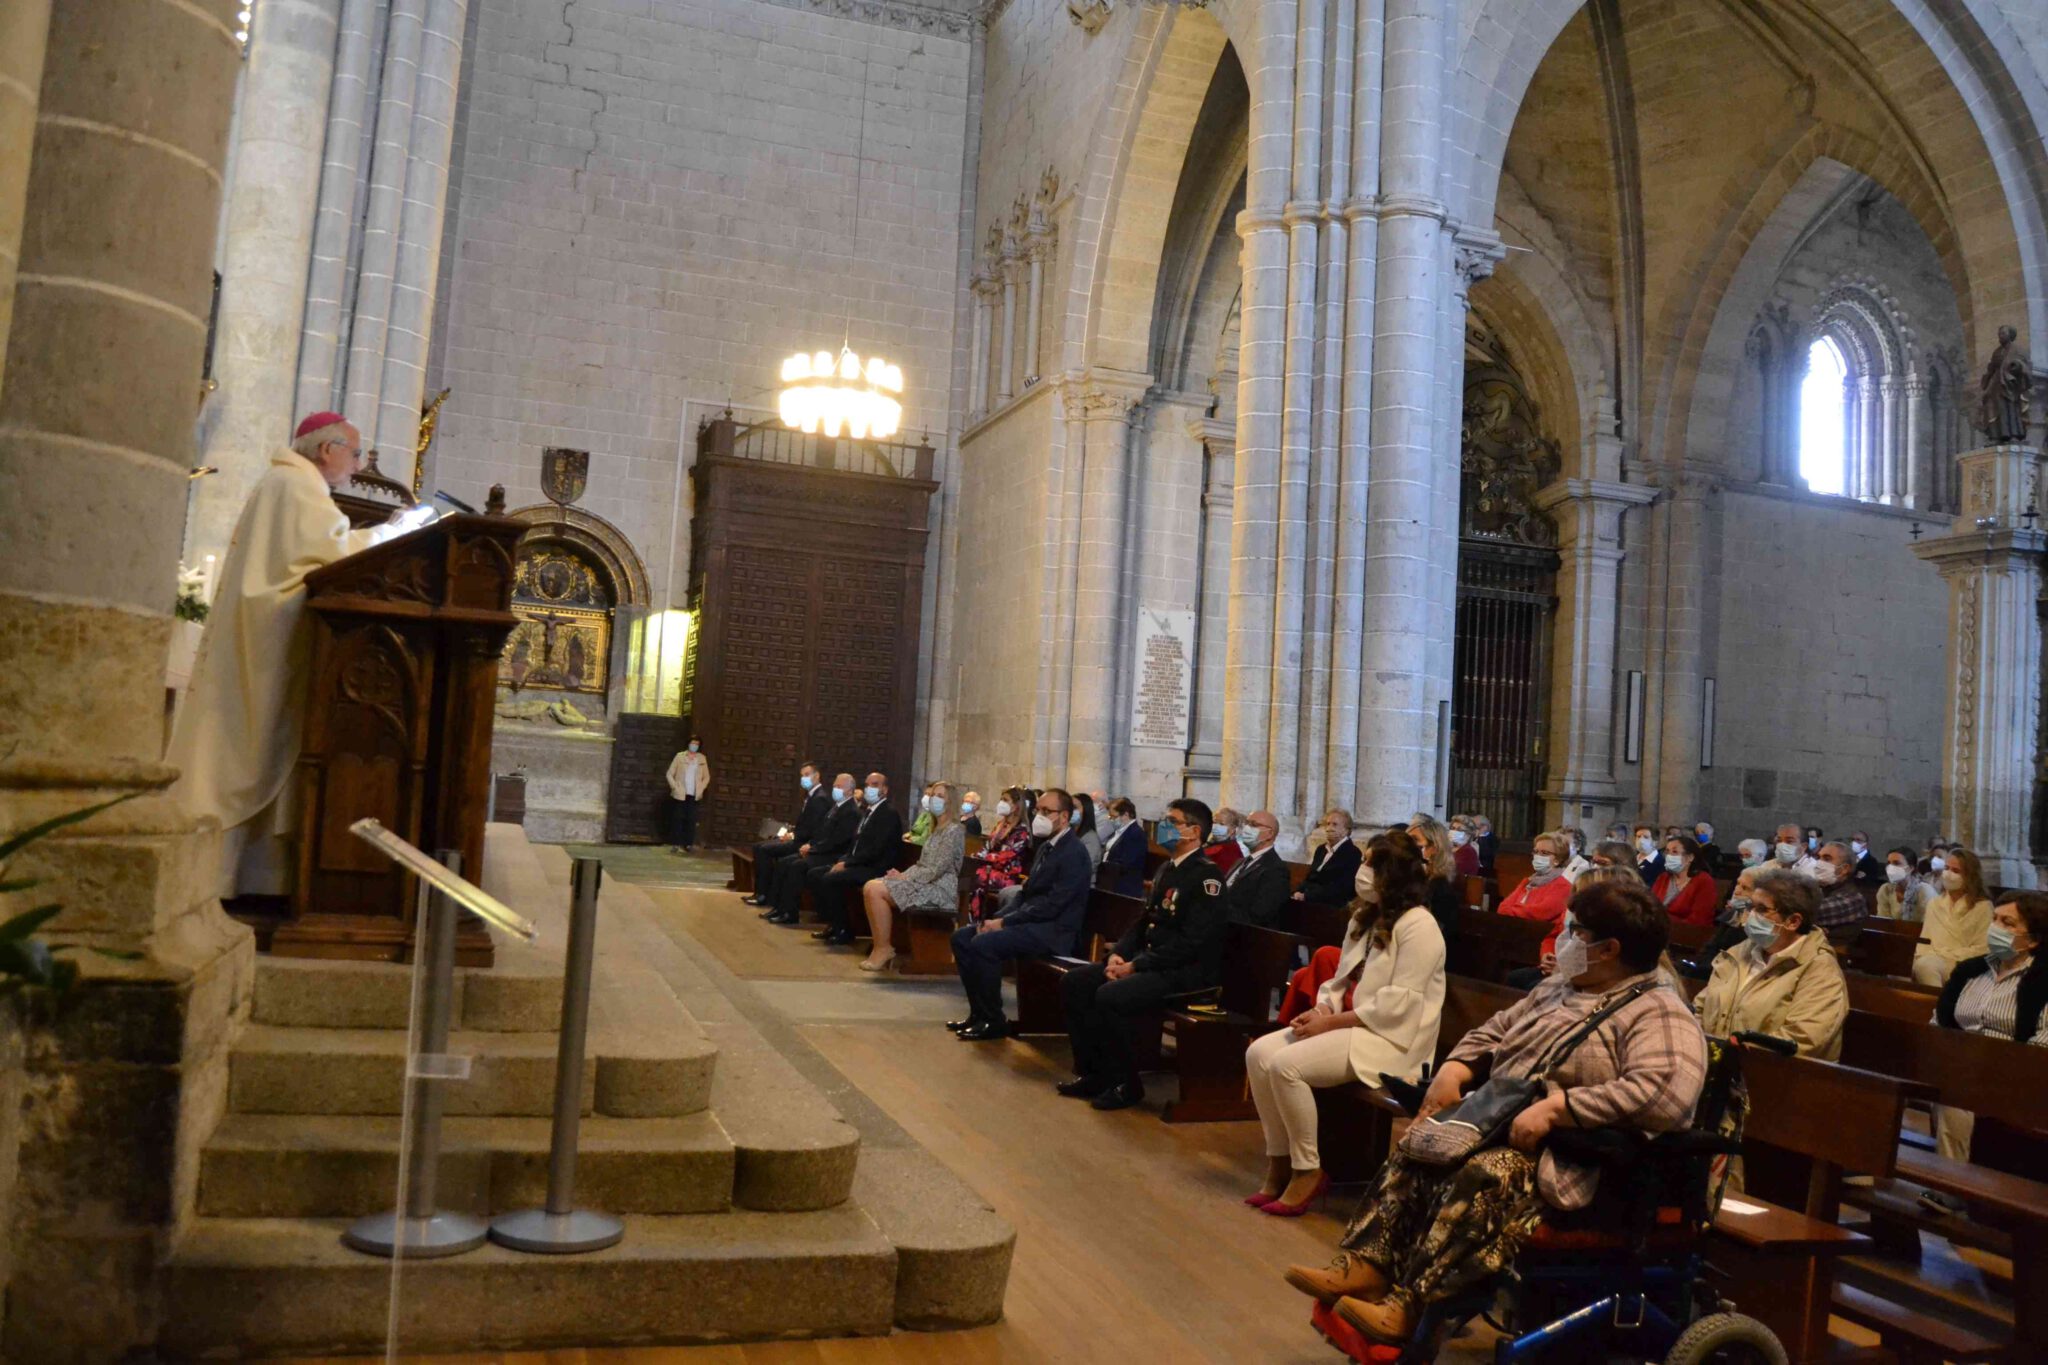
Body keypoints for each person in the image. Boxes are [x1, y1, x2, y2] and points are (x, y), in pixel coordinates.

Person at [1283, 879, 1708, 1344]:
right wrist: (1455, 1068)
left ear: (1609, 949)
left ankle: (1416, 1305)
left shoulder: (1659, 1012)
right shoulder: (1560, 988)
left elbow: (1665, 1095)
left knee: (1485, 1172)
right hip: (1506, 1122)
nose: (1564, 939)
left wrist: (1561, 1107)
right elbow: (1494, 1030)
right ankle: (1365, 1265)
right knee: (1422, 1142)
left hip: (1585, 1158)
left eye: (1575, 931)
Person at [165, 411, 426, 898]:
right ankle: (230, 882)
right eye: (352, 451)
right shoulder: (297, 486)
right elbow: (331, 559)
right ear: (327, 450)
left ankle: (248, 880)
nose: (355, 463)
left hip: (267, 630)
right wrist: (393, 532)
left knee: (245, 752)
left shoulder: (290, 482)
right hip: (273, 637)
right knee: (248, 753)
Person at [1244, 832, 1446, 1215]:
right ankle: (1279, 1160)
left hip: (1394, 1040)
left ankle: (1308, 1169)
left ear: (1394, 874)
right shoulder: (1363, 916)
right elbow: (1340, 979)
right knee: (1259, 1053)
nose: (1362, 871)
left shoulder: (1420, 925)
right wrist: (1322, 1011)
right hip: (1352, 1025)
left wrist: (1332, 1022)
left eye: (1371, 864)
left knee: (1287, 1067)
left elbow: (1399, 1005)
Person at [1057, 798, 1226, 1110]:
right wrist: (1118, 955)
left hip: (1184, 973)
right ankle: (1093, 1073)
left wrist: (1136, 966)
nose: (1163, 826)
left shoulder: (1206, 878)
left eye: (1171, 821)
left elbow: (1192, 942)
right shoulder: (1167, 868)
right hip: (1150, 963)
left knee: (1111, 996)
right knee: (1076, 983)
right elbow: (1143, 922)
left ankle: (1126, 1083)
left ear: (1194, 831)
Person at [949, 789, 1093, 1040]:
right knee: (962, 937)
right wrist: (995, 919)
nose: (1040, 816)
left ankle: (994, 1021)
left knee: (985, 944)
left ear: (1065, 816)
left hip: (1054, 930)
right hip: (1032, 923)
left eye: (1047, 811)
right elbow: (1026, 894)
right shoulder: (1047, 846)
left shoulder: (1074, 853)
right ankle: (979, 1014)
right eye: (1038, 810)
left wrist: (1004, 922)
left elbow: (1052, 906)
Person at [1927, 893, 2048, 1170]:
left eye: (2008, 922)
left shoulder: (2043, 980)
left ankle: (1951, 1185)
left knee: (1957, 1097)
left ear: (2033, 939)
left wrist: (1990, 1069)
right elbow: (1939, 1022)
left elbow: (2041, 1046)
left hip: (2014, 1074)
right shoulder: (1970, 971)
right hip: (1957, 1064)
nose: (1995, 928)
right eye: (1994, 919)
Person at [1693, 868, 1848, 1059]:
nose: (1750, 914)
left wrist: (1728, 1058)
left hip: (1774, 1078)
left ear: (1793, 921)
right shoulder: (1740, 951)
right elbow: (1701, 1007)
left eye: (1761, 909)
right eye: (1751, 907)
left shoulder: (1819, 970)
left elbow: (1802, 1041)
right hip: (1716, 1066)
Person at [859, 781, 966, 972]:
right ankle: (882, 946)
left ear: (951, 802)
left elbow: (937, 869)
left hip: (940, 890)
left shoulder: (954, 830)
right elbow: (922, 865)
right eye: (933, 795)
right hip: (925, 883)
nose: (934, 799)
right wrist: (902, 875)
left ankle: (883, 948)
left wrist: (905, 879)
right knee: (871, 885)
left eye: (940, 796)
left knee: (875, 890)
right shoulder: (936, 829)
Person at [804, 773, 905, 945]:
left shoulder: (888, 813)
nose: (869, 789)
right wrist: (843, 860)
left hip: (874, 867)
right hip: (858, 862)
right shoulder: (868, 811)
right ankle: (833, 923)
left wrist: (848, 863)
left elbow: (876, 850)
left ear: (885, 789)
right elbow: (855, 843)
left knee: (830, 879)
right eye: (867, 784)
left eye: (874, 785)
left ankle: (844, 929)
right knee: (815, 874)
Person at [761, 772, 859, 923]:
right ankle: (779, 907)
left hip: (832, 854)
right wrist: (810, 845)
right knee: (784, 863)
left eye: (839, 786)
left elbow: (837, 840)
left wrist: (812, 850)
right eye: (834, 786)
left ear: (850, 790)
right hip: (820, 850)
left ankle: (790, 913)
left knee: (797, 866)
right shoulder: (836, 807)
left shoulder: (851, 811)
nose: (835, 789)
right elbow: (821, 832)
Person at [742, 760, 831, 907]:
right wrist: (791, 833)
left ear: (817, 776)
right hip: (798, 838)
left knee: (764, 850)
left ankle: (764, 894)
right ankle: (760, 892)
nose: (804, 778)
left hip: (804, 843)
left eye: (807, 775)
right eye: (802, 775)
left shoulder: (819, 798)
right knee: (758, 846)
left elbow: (814, 828)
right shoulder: (811, 796)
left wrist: (795, 836)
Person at [1913, 845, 1994, 989]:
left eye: (1956, 871)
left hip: (1965, 964)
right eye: (1947, 868)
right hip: (1934, 962)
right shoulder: (1935, 903)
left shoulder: (1983, 907)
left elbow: (1983, 948)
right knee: (1923, 966)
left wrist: (1948, 954)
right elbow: (1925, 941)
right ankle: (1935, 1005)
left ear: (1970, 876)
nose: (1949, 874)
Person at [1497, 832, 1573, 957]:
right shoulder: (1528, 881)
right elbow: (1502, 907)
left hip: (1537, 941)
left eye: (1544, 853)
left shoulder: (1563, 886)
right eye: (1536, 852)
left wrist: (1512, 910)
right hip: (1514, 933)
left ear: (1558, 859)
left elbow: (1539, 913)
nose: (1537, 856)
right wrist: (1514, 911)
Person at [967, 787, 1033, 921]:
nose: (1001, 803)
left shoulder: (1021, 831)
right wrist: (977, 856)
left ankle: (977, 921)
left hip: (1007, 875)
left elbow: (1007, 855)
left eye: (1005, 800)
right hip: (990, 868)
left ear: (1015, 806)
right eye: (1001, 799)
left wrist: (986, 858)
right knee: (969, 872)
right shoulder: (1000, 826)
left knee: (978, 877)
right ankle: (968, 918)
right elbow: (987, 846)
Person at [1222, 810, 1293, 928]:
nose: (1247, 828)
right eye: (1246, 823)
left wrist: (1216, 909)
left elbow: (1258, 917)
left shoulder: (1276, 869)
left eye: (1253, 825)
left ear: (1270, 834)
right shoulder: (1240, 861)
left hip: (1242, 934)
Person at [1405, 814, 1466, 945]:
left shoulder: (1441, 889)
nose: (1406, 846)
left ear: (1433, 848)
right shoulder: (1410, 881)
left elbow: (1438, 935)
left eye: (1414, 840)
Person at [1293, 809, 1363, 908]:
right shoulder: (1321, 849)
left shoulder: (1352, 853)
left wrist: (1307, 896)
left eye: (1335, 824)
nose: (1329, 828)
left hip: (1331, 906)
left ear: (1346, 830)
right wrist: (1298, 892)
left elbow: (1340, 888)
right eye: (1328, 824)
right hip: (1310, 900)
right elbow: (1311, 877)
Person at [1650, 834, 1718, 927]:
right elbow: (1651, 905)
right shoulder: (1663, 877)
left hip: (1687, 933)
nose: (1669, 856)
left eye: (1674, 852)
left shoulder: (1704, 881)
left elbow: (1699, 919)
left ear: (1690, 857)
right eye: (1667, 852)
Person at [1811, 840, 1869, 948]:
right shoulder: (1820, 890)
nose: (1819, 863)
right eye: (1818, 857)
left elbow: (1803, 911)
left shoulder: (1853, 898)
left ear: (1844, 869)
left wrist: (1809, 927)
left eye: (1827, 859)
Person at [663, 737, 710, 852]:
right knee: (678, 819)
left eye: (696, 744)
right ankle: (676, 843)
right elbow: (669, 773)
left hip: (694, 794)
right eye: (692, 743)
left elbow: (706, 777)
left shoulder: (702, 759)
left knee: (691, 819)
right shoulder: (680, 756)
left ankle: (688, 843)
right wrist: (675, 786)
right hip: (681, 793)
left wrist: (702, 787)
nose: (694, 746)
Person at [1098, 795, 1147, 896]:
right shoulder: (1119, 830)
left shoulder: (1136, 834)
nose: (1111, 820)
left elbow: (1127, 863)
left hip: (1124, 886)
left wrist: (1101, 866)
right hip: (1110, 880)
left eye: (1113, 817)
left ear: (1125, 815)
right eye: (1109, 817)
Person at [1876, 845, 1932, 922]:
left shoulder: (1924, 890)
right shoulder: (1886, 889)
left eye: (1896, 863)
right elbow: (1883, 921)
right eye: (1889, 863)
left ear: (1911, 868)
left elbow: (1928, 922)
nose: (1891, 867)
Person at [1204, 808, 1245, 874]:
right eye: (1214, 822)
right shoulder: (1210, 843)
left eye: (1221, 824)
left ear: (1233, 829)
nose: (1215, 826)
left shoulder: (1231, 850)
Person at [1073, 792, 1104, 868]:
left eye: (1074, 807)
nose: (1070, 810)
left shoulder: (1090, 838)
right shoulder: (1071, 832)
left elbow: (1085, 866)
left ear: (1086, 810)